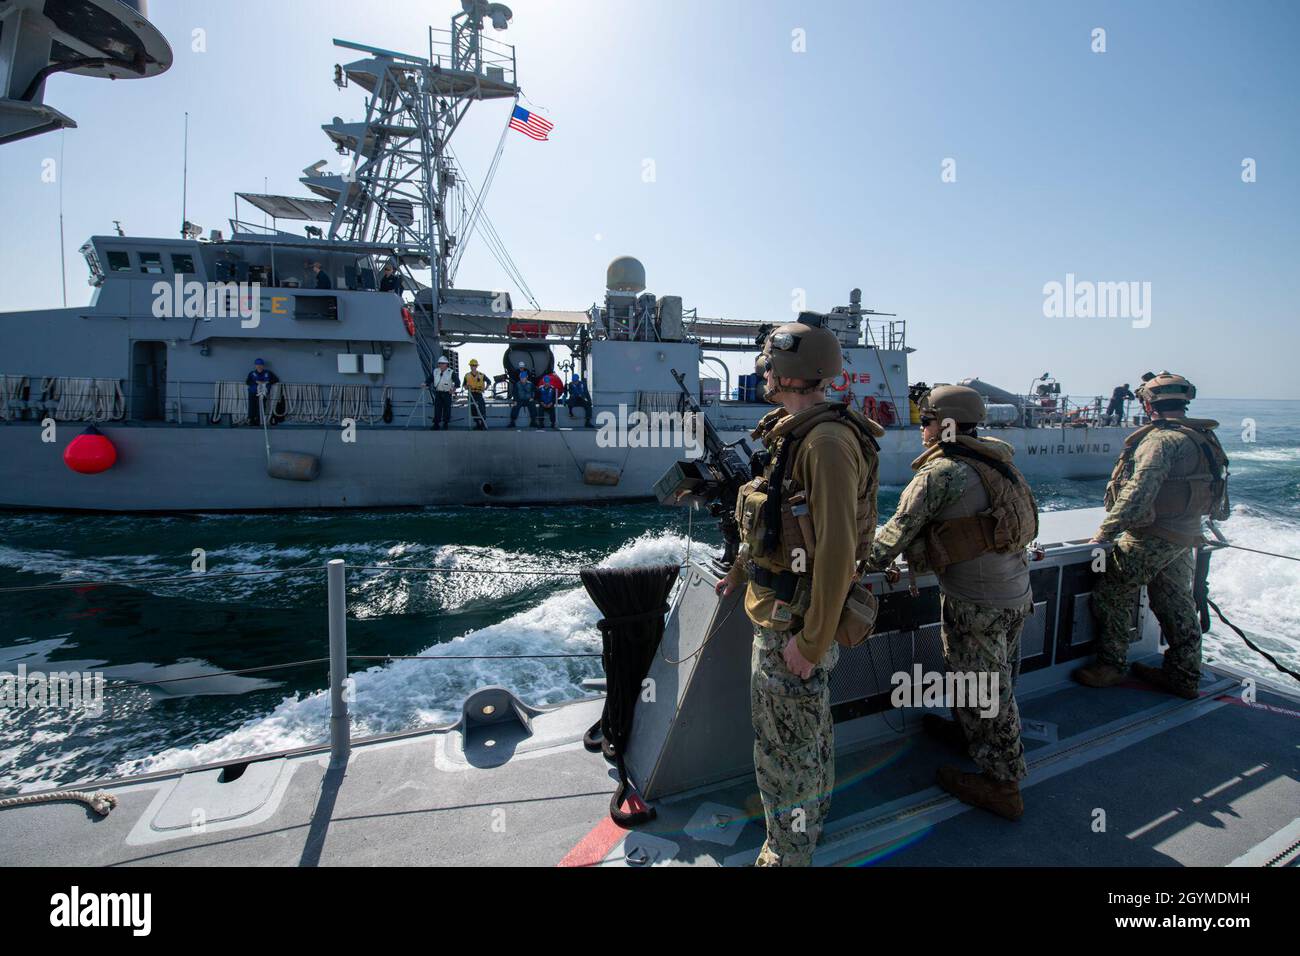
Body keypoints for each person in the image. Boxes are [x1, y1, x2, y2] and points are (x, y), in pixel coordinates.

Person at [714, 320, 882, 866]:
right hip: (785, 613)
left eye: (768, 365)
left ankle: (787, 853)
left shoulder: (826, 442)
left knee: (784, 749)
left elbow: (835, 550)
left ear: (786, 373)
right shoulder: (798, 430)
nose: (762, 373)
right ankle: (804, 833)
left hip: (794, 622)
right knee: (805, 738)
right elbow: (783, 523)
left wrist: (809, 643)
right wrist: (741, 570)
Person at [864, 385, 1039, 821]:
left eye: (925, 420)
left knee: (984, 689)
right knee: (996, 680)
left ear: (943, 425)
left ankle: (1003, 784)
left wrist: (858, 564)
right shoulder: (996, 461)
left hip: (976, 602)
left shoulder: (940, 472)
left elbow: (896, 532)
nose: (921, 428)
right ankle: (974, 738)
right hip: (1015, 593)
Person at [1074, 372, 1230, 699]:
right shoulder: (1199, 436)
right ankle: (1184, 675)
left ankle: (1110, 666)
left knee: (1112, 591)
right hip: (1186, 534)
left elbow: (1139, 491)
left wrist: (1105, 531)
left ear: (1147, 404)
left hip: (1154, 534)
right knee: (1176, 603)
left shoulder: (1161, 440)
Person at [245, 358, 279, 427]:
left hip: (263, 393)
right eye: (257, 365)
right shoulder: (252, 374)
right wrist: (256, 382)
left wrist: (266, 382)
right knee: (252, 406)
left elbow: (276, 379)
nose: (259, 367)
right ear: (255, 366)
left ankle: (258, 420)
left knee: (261, 406)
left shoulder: (268, 373)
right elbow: (248, 382)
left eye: (260, 365)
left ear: (263, 366)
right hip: (253, 392)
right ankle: (251, 420)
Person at [427, 356, 458, 430]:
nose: (441, 365)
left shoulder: (451, 372)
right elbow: (430, 379)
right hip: (438, 393)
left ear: (446, 364)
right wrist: (425, 383)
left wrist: (453, 389)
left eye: (443, 363)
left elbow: (457, 381)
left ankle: (445, 424)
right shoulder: (435, 371)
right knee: (437, 409)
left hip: (447, 393)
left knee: (447, 409)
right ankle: (436, 424)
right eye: (440, 363)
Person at [463, 358, 489, 430]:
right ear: (470, 366)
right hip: (471, 394)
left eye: (474, 365)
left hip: (478, 393)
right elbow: (464, 385)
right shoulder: (467, 375)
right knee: (473, 409)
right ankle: (477, 424)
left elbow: (489, 381)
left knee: (482, 408)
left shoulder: (481, 375)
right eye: (472, 365)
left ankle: (483, 423)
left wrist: (486, 388)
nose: (473, 366)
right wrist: (466, 387)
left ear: (476, 366)